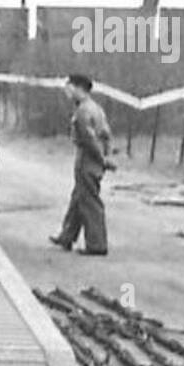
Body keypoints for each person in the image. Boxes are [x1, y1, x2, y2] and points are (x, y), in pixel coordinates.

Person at [50, 72, 113, 256]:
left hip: (88, 159)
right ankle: (67, 236)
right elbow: (107, 135)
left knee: (89, 201)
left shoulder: (83, 112)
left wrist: (102, 159)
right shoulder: (96, 108)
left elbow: (89, 139)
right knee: (78, 197)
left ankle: (97, 244)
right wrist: (106, 155)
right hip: (94, 158)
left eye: (69, 87)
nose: (66, 91)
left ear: (79, 88)